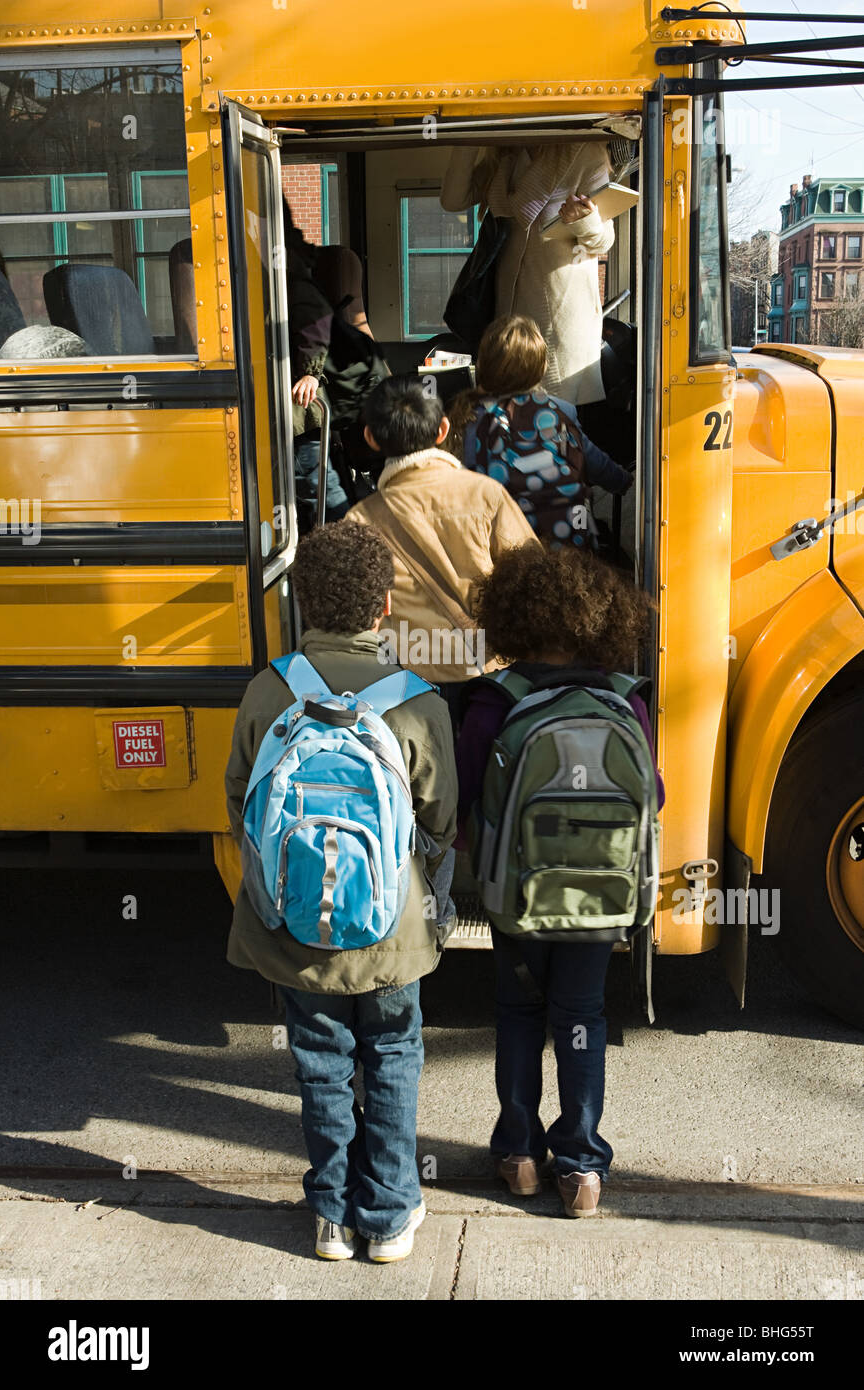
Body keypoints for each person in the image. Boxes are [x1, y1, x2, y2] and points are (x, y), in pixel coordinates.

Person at [225, 520, 458, 1262]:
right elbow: (443, 820)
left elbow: (240, 804)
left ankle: (330, 1214)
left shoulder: (271, 690)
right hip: (391, 928)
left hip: (296, 924)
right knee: (392, 1051)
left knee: (320, 1060)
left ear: (302, 605)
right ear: (384, 607)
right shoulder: (417, 700)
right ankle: (389, 1215)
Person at [456, 542, 664, 1217]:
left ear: (512, 616)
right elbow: (651, 797)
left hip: (519, 895)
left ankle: (518, 1154)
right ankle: (580, 1169)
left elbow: (462, 791)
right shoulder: (623, 700)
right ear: (602, 621)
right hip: (600, 897)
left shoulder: (496, 698)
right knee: (582, 1019)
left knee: (518, 1014)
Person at [345, 374, 540, 719]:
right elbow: (533, 577)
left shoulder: (360, 519)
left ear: (371, 438)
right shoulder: (486, 494)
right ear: (443, 430)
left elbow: (355, 618)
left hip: (404, 684)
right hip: (486, 672)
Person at [441, 142, 614, 409]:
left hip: (559, 324)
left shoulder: (583, 153)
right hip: (508, 323)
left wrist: (585, 219)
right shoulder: (503, 156)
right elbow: (453, 200)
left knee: (555, 425)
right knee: (508, 424)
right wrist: (470, 136)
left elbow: (604, 240)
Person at [449, 314, 632, 550]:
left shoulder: (468, 418)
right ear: (540, 366)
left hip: (502, 548)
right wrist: (623, 481)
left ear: (484, 364)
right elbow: (593, 462)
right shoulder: (560, 411)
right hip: (569, 548)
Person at [284, 200, 386, 525]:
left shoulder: (292, 282)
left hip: (303, 411)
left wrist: (310, 374)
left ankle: (346, 543)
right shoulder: (291, 276)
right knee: (320, 485)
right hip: (303, 411)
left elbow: (315, 324)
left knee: (319, 488)